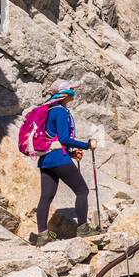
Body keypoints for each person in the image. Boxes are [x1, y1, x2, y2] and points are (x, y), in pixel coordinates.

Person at [34, 80, 98, 244]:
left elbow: (53, 138)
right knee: (82, 190)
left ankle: (42, 236)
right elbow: (64, 138)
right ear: (64, 93)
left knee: (46, 197)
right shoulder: (61, 111)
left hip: (45, 159)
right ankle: (83, 229)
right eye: (71, 89)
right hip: (58, 158)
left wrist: (70, 152)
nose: (74, 92)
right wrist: (86, 145)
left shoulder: (48, 110)